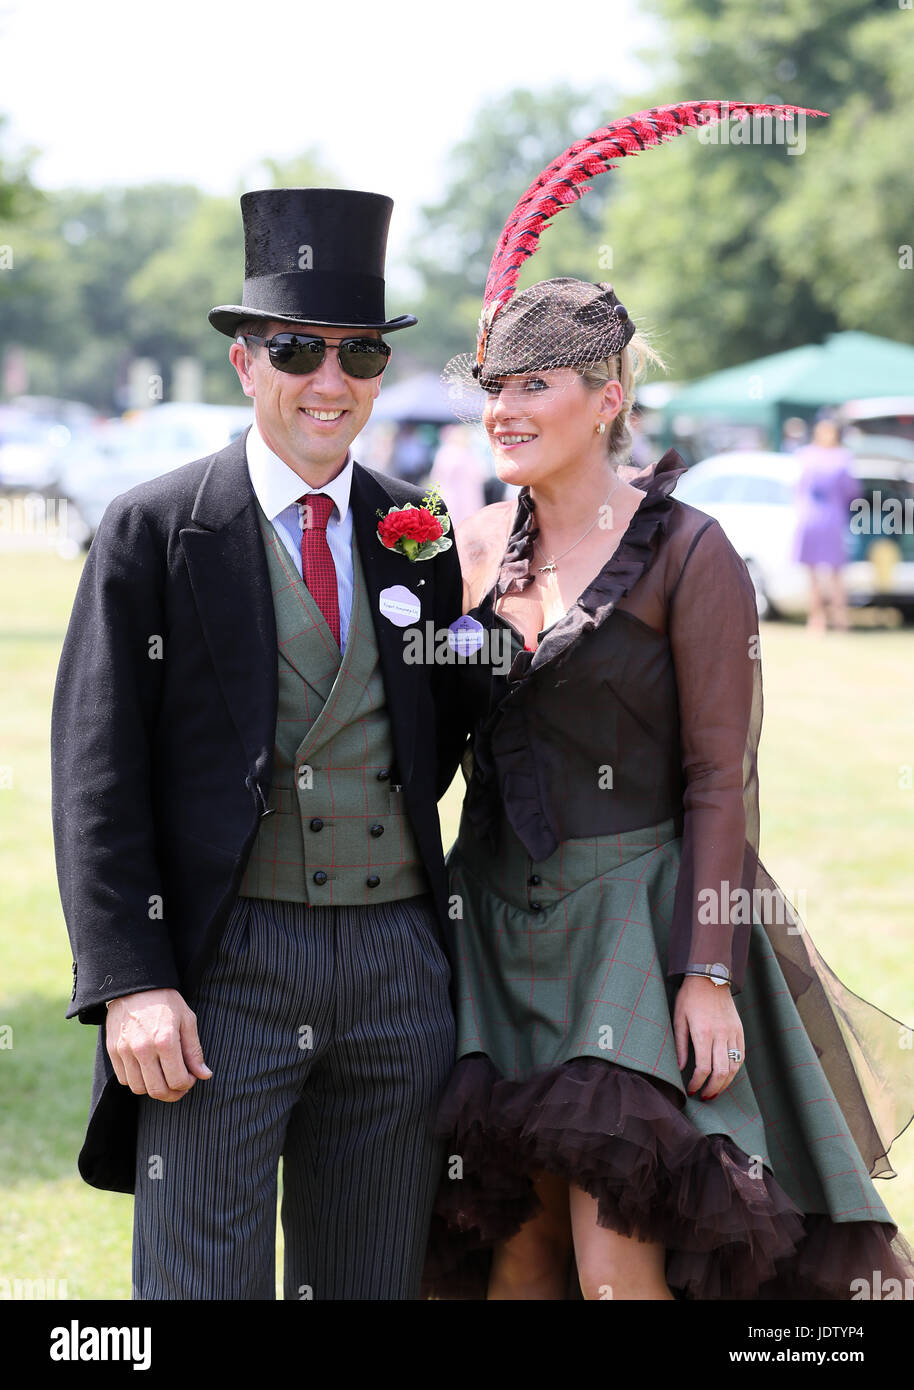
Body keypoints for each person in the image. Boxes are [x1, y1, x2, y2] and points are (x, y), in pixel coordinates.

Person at [420, 100, 914, 1300]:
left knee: (612, 1247)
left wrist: (702, 972)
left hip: (632, 932)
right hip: (490, 922)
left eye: (533, 383)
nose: (503, 408)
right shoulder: (468, 546)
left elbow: (718, 779)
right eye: (492, 383)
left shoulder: (688, 552)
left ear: (604, 400)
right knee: (516, 1243)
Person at [51, 187, 469, 1300]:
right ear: (246, 361)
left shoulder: (417, 539)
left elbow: (454, 742)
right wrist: (132, 981)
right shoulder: (153, 531)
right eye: (297, 349)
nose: (329, 381)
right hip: (219, 971)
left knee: (369, 1283)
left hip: (395, 968)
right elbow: (98, 777)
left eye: (360, 353)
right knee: (199, 1289)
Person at [791, 418, 859, 633]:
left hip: (827, 519)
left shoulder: (838, 457)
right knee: (816, 574)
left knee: (834, 574)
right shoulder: (810, 456)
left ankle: (837, 619)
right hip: (815, 519)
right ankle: (819, 619)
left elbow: (851, 491)